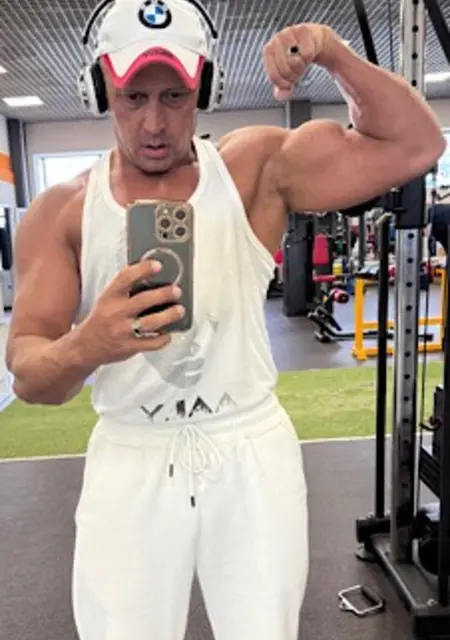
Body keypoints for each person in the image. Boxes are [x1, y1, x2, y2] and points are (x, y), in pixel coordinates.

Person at [6, 0, 445, 639]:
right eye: (133, 97)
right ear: (100, 89)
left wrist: (333, 52)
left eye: (175, 96)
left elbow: (417, 144)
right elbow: (29, 375)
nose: (154, 122)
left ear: (205, 88)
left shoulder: (253, 168)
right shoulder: (62, 211)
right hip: (130, 454)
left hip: (248, 447)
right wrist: (88, 344)